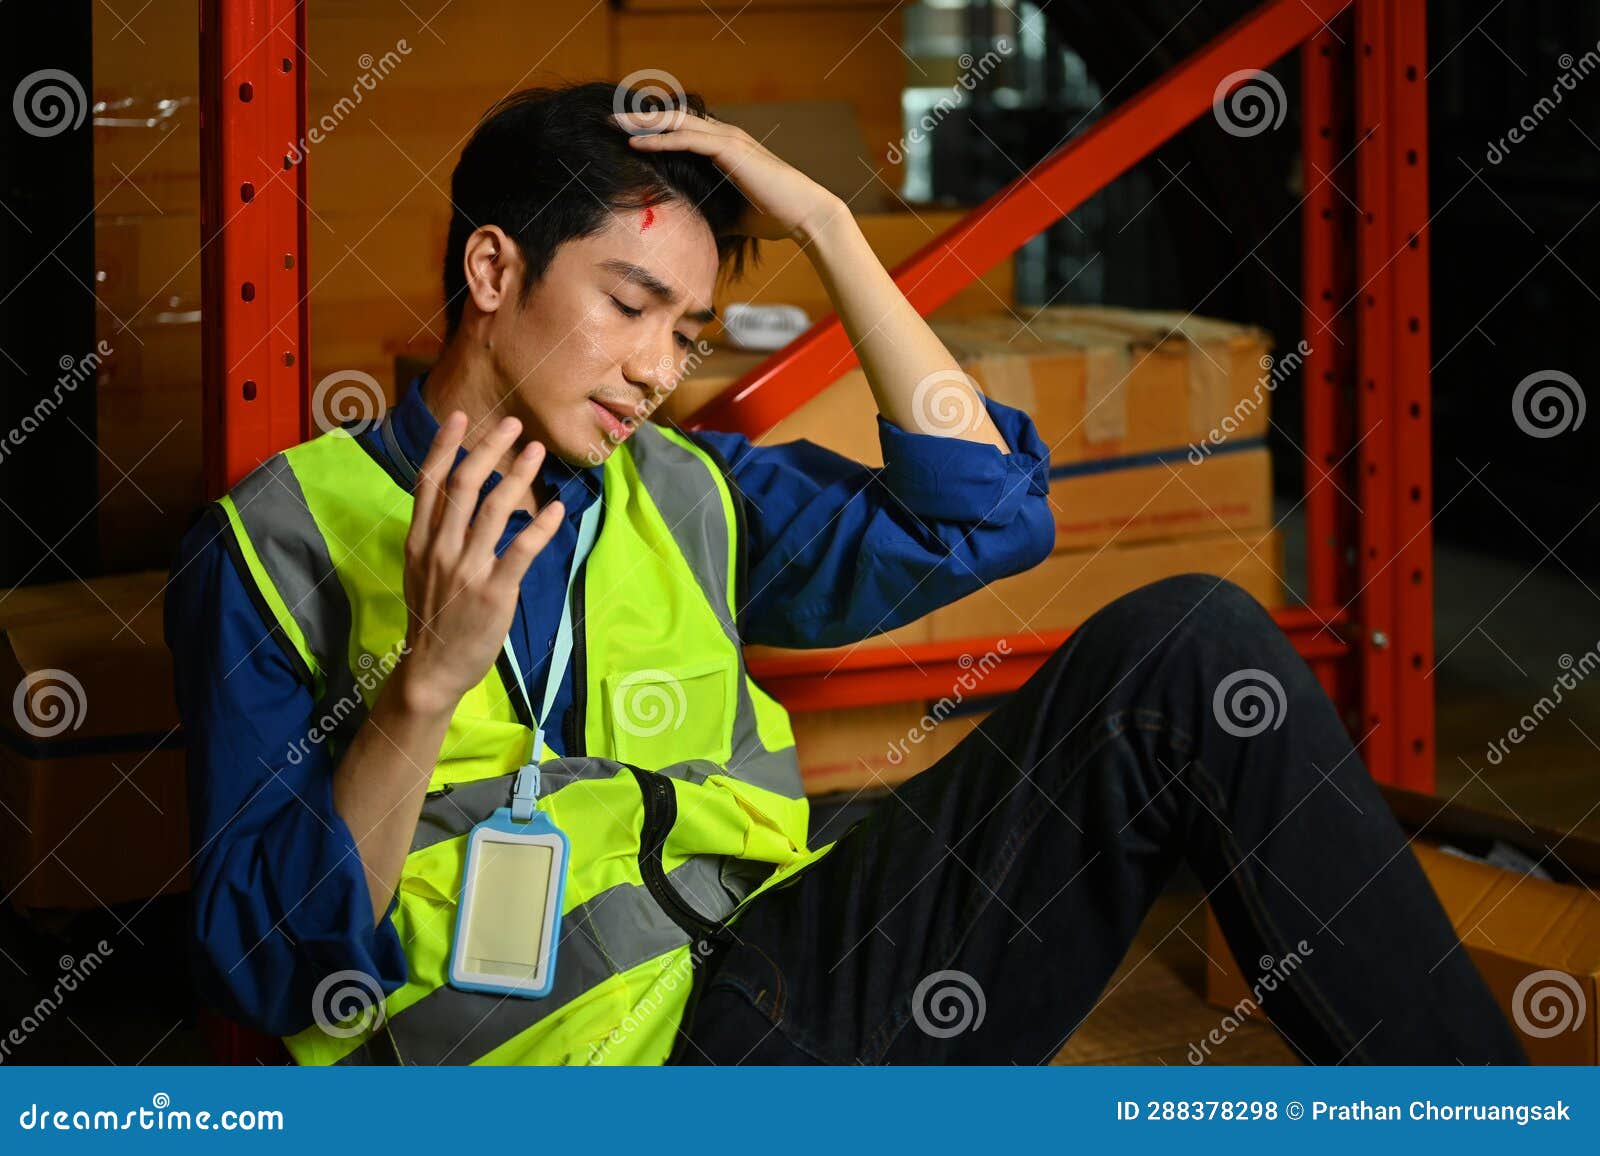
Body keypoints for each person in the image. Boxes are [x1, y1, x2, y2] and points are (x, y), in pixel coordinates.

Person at [166, 80, 1525, 1066]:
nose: (656, 368)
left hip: (787, 986)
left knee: (1188, 653)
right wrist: (423, 692)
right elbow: (283, 968)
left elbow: (983, 517)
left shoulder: (691, 496)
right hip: (587, 1067)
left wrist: (826, 225)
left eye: (689, 328)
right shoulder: (275, 546)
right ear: (492, 267)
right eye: (630, 306)